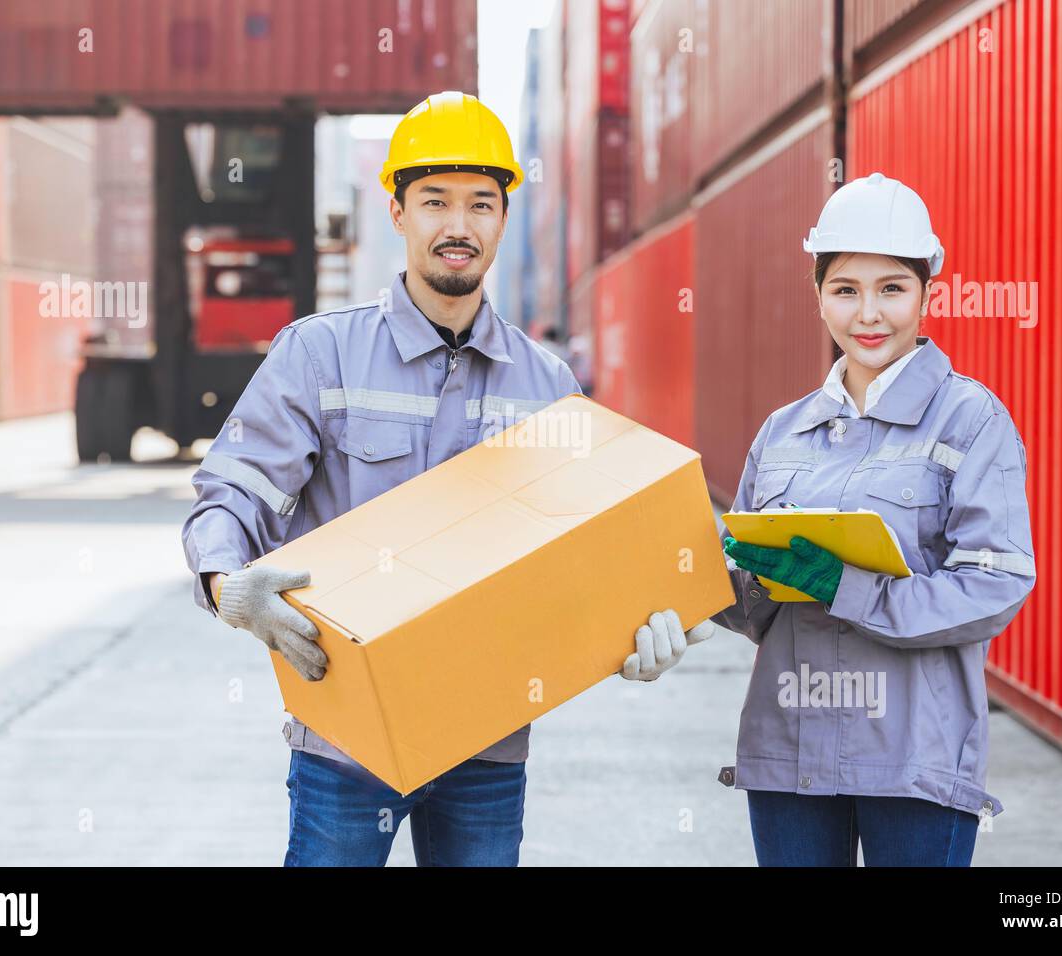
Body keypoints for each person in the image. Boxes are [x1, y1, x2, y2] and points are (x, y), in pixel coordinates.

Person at [180, 91, 711, 867]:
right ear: (397, 212)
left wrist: (639, 627)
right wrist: (229, 586)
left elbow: (590, 555)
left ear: (502, 219)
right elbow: (234, 491)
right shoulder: (318, 355)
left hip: (489, 747)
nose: (457, 226)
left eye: (480, 205)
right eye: (434, 202)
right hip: (344, 741)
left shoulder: (548, 385)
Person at [710, 172, 1036, 866]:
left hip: (913, 760)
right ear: (818, 295)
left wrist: (848, 587)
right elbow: (751, 609)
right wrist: (712, 575)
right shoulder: (783, 432)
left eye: (891, 288)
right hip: (789, 749)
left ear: (927, 294)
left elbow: (995, 584)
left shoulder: (971, 420)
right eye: (845, 289)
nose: (869, 314)